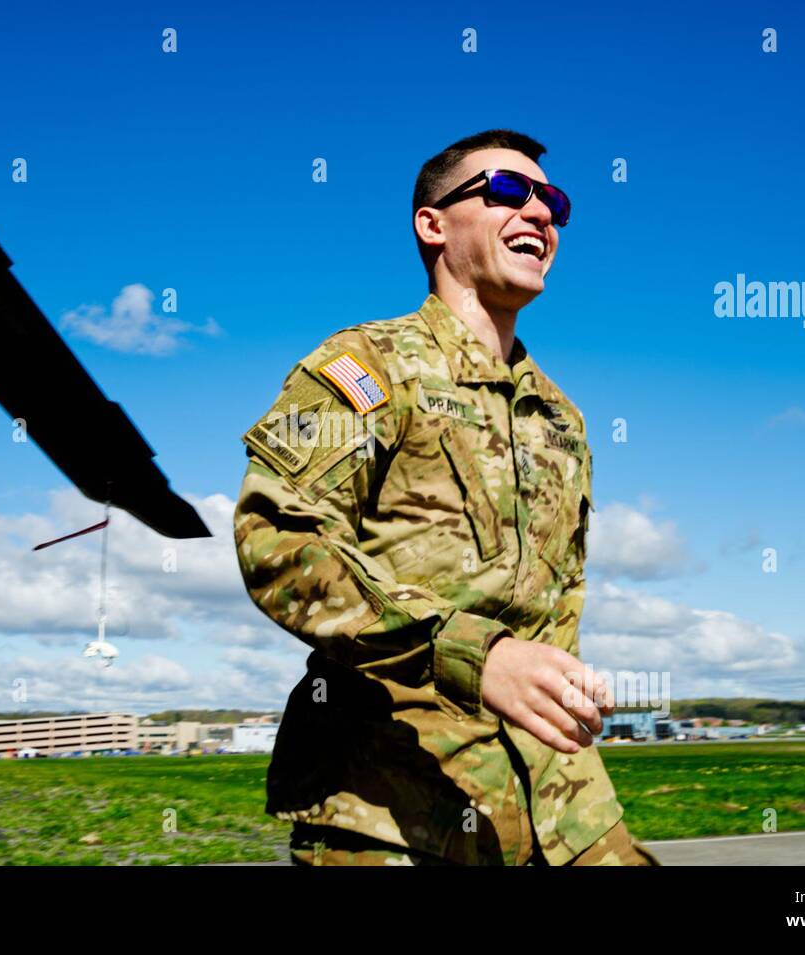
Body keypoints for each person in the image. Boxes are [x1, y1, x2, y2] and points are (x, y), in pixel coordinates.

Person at [233, 129, 659, 866]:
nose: (539, 212)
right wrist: (472, 654)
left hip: (570, 816)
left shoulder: (562, 415)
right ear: (432, 224)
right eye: (504, 191)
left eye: (552, 200)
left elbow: (559, 609)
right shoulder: (365, 367)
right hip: (396, 810)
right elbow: (279, 540)